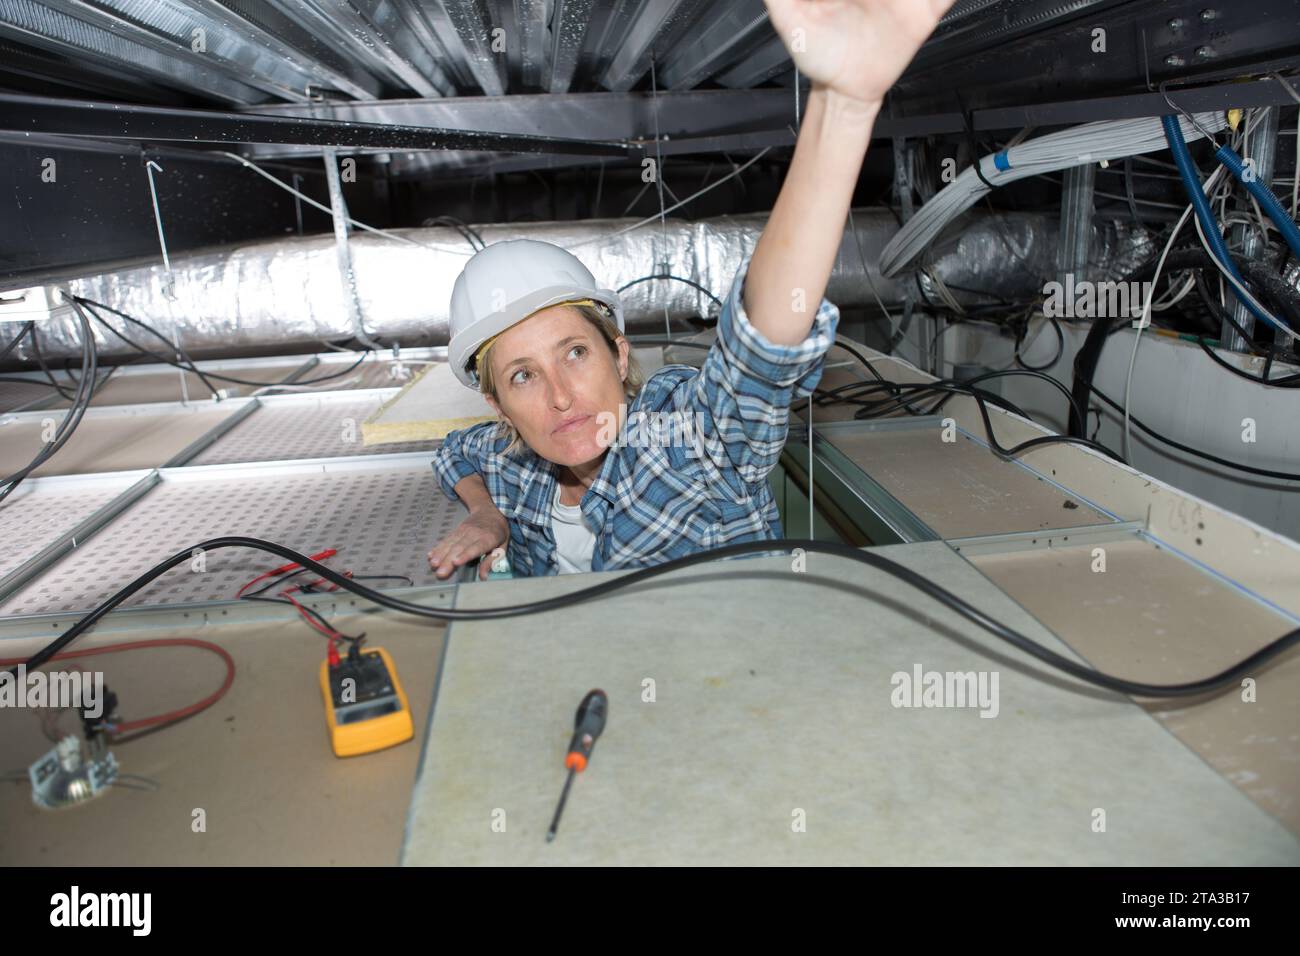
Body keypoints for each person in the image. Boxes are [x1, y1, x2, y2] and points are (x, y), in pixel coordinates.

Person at [428, 0, 955, 579]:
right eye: (522, 375)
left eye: (575, 352)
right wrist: (486, 514)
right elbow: (456, 450)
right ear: (498, 404)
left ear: (619, 352)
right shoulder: (516, 466)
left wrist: (844, 106)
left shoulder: (685, 444)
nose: (558, 396)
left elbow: (758, 355)